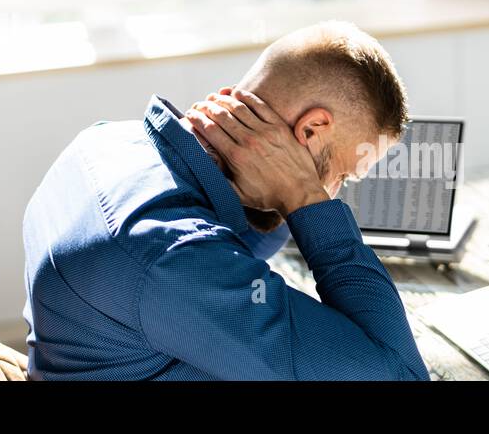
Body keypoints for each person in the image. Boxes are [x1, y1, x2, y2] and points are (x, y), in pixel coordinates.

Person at [21, 21, 429, 380]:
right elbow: (401, 375)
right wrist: (304, 197)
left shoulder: (104, 140)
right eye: (343, 173)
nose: (334, 191)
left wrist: (281, 184)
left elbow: (233, 247)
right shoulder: (174, 257)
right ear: (310, 130)